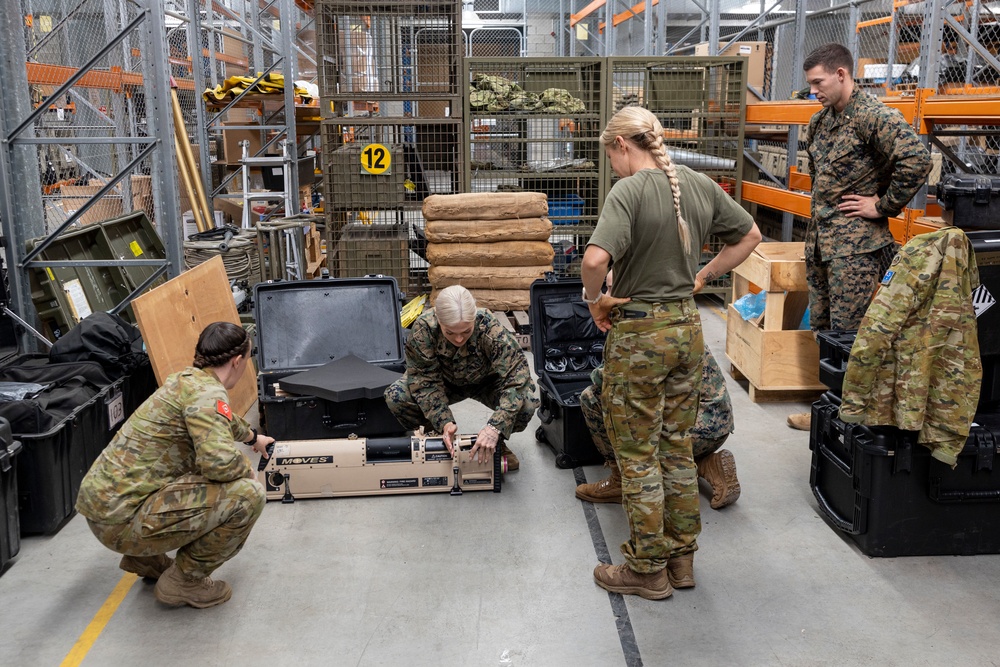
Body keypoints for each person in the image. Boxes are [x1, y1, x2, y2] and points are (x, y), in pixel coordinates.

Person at [581, 105, 761, 600]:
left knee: (638, 455)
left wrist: (595, 300)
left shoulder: (629, 191)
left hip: (642, 336)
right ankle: (682, 561)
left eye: (611, 156)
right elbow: (750, 236)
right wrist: (702, 276)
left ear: (622, 145)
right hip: (688, 330)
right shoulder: (697, 183)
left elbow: (594, 260)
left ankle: (646, 570)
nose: (613, 167)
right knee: (676, 448)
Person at [787, 42, 931, 431]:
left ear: (841, 74)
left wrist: (882, 206)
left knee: (852, 336)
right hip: (823, 244)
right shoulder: (821, 121)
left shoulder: (872, 116)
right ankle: (831, 409)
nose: (813, 91)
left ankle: (853, 419)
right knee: (825, 330)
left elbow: (917, 160)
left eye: (818, 82)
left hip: (857, 251)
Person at [76, 322, 271, 609]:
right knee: (248, 496)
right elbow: (219, 464)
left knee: (186, 464)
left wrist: (253, 437)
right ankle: (185, 581)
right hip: (120, 523)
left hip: (103, 509)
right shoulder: (208, 394)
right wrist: (245, 468)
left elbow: (221, 417)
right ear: (237, 361)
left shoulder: (186, 381)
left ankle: (148, 560)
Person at [384, 284, 539, 470]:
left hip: (487, 382)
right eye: (450, 332)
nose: (459, 339)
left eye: (466, 331)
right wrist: (444, 422)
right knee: (397, 397)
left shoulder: (489, 326)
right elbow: (424, 382)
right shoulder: (423, 329)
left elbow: (518, 377)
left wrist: (495, 427)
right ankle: (438, 439)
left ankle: (493, 444)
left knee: (527, 404)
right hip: (444, 383)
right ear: (439, 320)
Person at [575, 347, 740, 512]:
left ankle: (620, 481)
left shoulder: (637, 338)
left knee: (593, 398)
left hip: (689, 434)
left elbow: (603, 379)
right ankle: (706, 464)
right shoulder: (681, 328)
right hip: (719, 426)